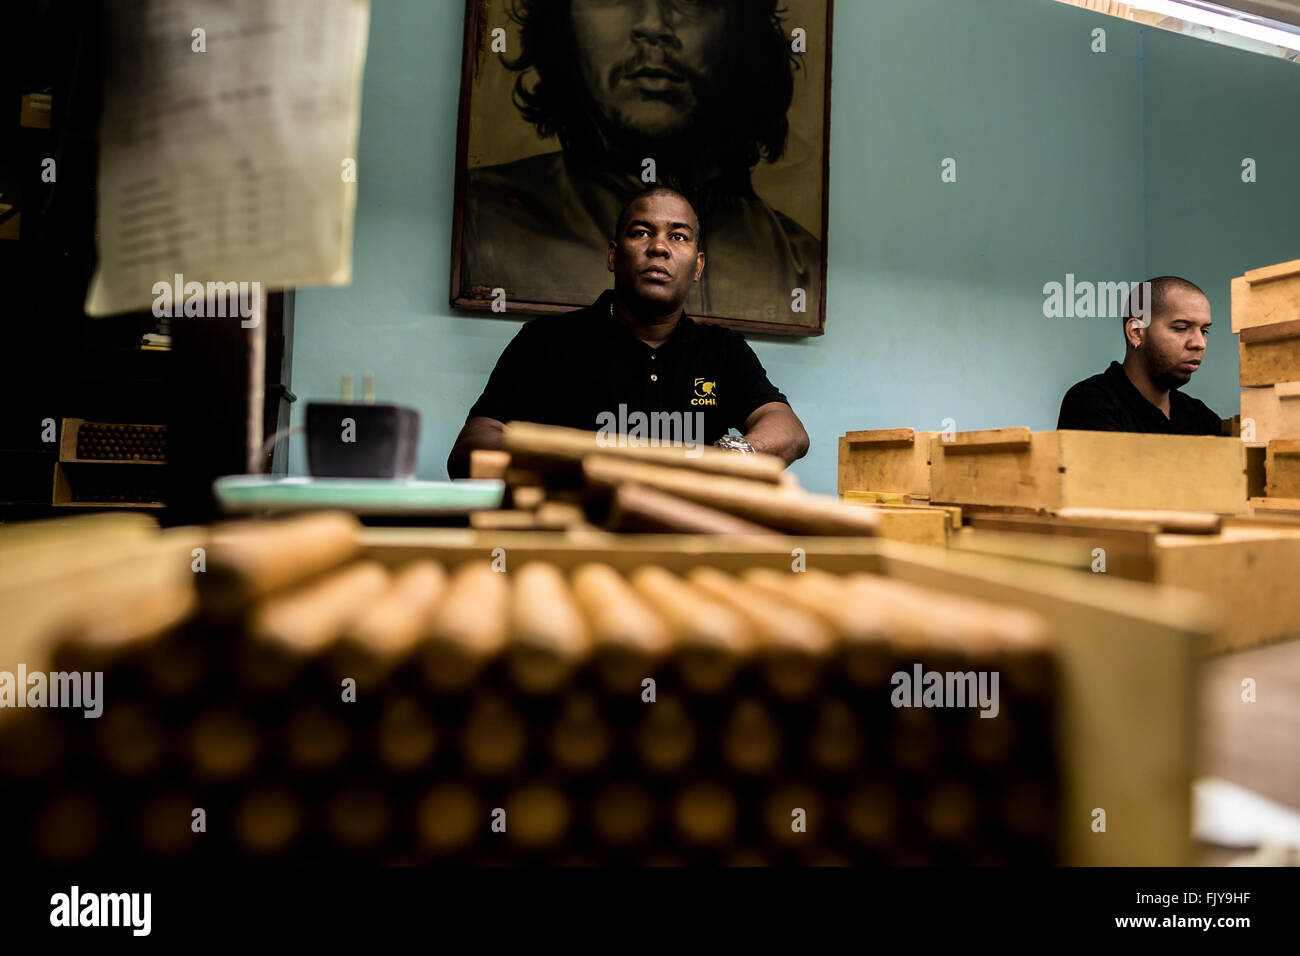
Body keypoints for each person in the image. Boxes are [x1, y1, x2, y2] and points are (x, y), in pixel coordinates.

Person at [462, 0, 820, 327]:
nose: (652, 25)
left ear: (742, 32)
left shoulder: (801, 263)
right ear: (563, 25)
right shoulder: (481, 218)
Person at [447, 187, 810, 478]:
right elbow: (471, 448)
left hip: (688, 546)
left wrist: (730, 457)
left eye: (679, 236)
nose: (659, 247)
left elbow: (790, 432)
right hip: (573, 543)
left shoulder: (722, 350)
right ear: (613, 256)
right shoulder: (547, 340)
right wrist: (579, 466)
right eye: (641, 232)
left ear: (698, 266)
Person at [1057, 276, 1221, 435]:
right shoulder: (1090, 401)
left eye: (1204, 331)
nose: (1200, 343)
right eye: (1181, 328)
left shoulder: (1200, 416)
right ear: (1136, 333)